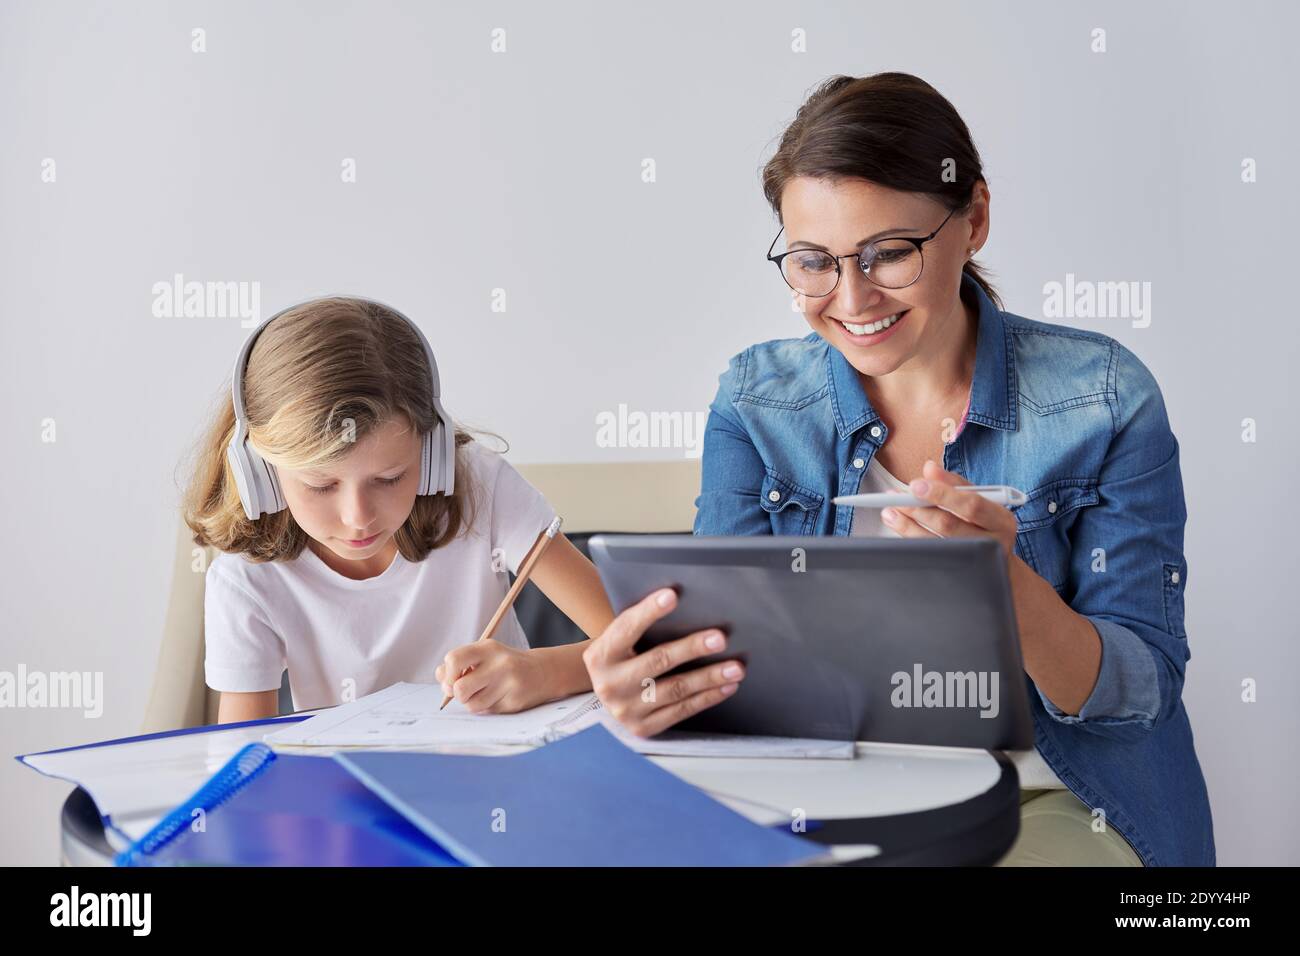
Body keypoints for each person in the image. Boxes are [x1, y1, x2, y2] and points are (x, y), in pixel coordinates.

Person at [583, 72, 1215, 867]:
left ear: (974, 217)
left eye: (889, 253)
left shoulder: (1102, 398)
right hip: (824, 787)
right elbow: (725, 672)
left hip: (1054, 793)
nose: (851, 298)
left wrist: (1004, 587)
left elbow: (1141, 692)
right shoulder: (753, 402)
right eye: (813, 261)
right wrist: (651, 691)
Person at [182, 297, 613, 722]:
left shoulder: (482, 485)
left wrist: (544, 673)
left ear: (433, 457)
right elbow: (243, 762)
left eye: (389, 479)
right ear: (259, 474)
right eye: (321, 485)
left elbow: (638, 642)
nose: (358, 518)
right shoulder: (246, 578)